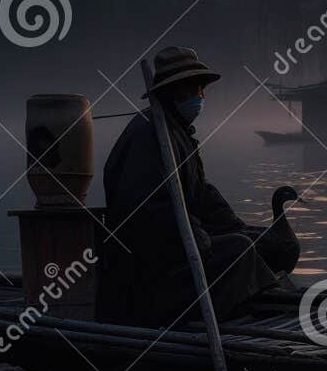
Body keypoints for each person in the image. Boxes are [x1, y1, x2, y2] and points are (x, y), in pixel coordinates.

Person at [97, 47, 278, 327]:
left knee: (260, 242)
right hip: (150, 268)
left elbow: (200, 193)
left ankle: (264, 299)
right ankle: (212, 321)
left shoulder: (177, 131)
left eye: (201, 90)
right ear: (172, 92)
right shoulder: (150, 135)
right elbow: (150, 209)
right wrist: (201, 240)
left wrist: (237, 226)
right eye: (193, 90)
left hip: (176, 248)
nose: (200, 97)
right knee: (238, 250)